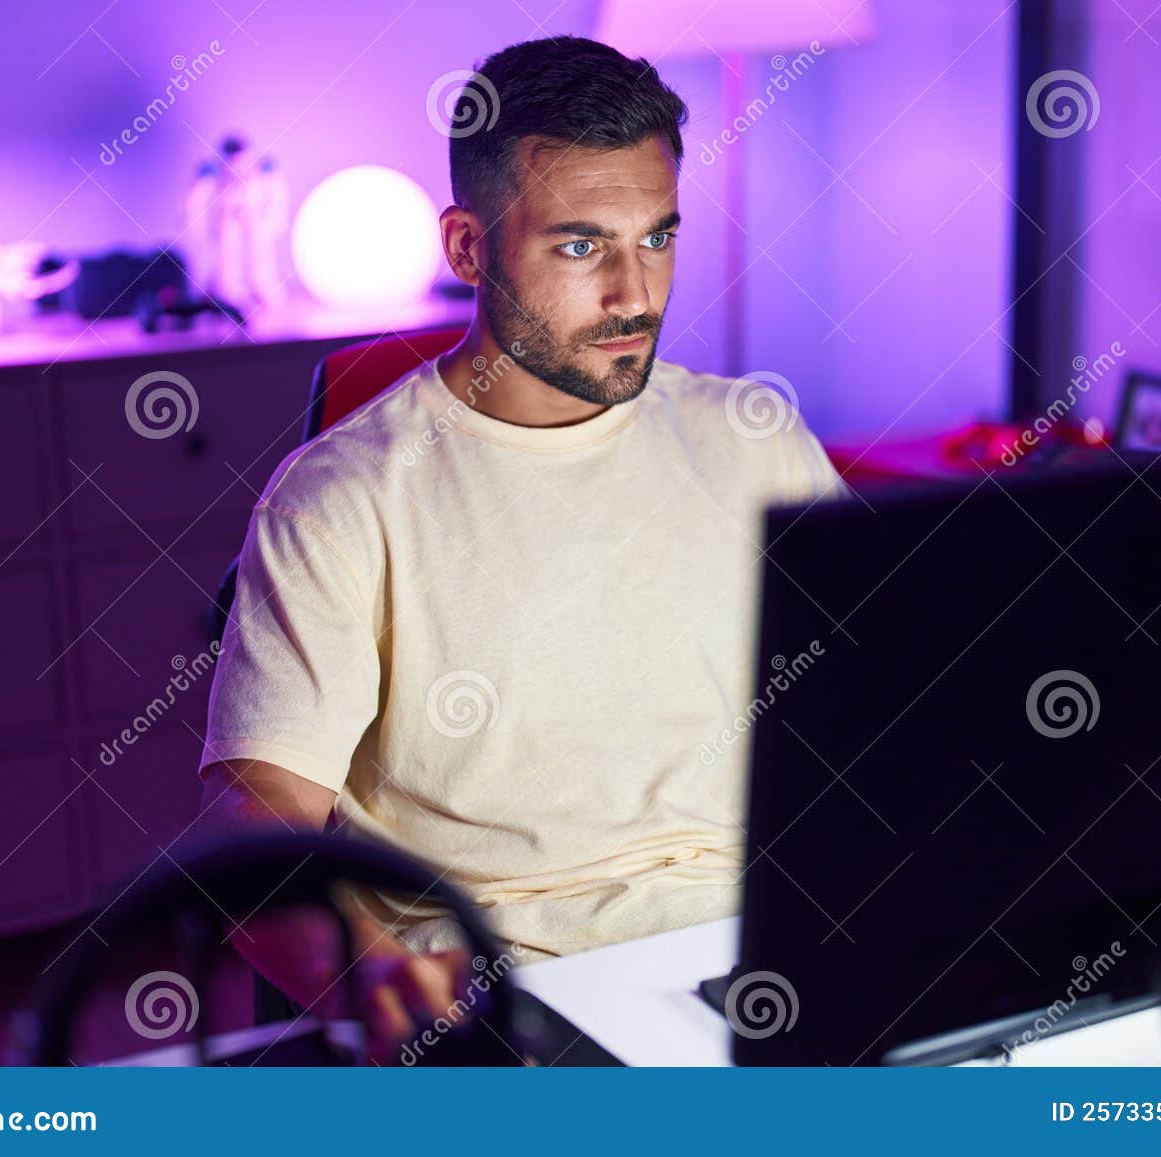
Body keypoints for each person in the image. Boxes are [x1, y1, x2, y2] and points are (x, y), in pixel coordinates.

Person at [197, 34, 846, 1061]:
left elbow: (885, 697)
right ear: (466, 248)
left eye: (659, 236)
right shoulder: (343, 495)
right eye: (581, 246)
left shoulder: (754, 437)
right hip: (509, 993)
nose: (636, 291)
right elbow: (251, 811)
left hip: (781, 944)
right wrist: (354, 956)